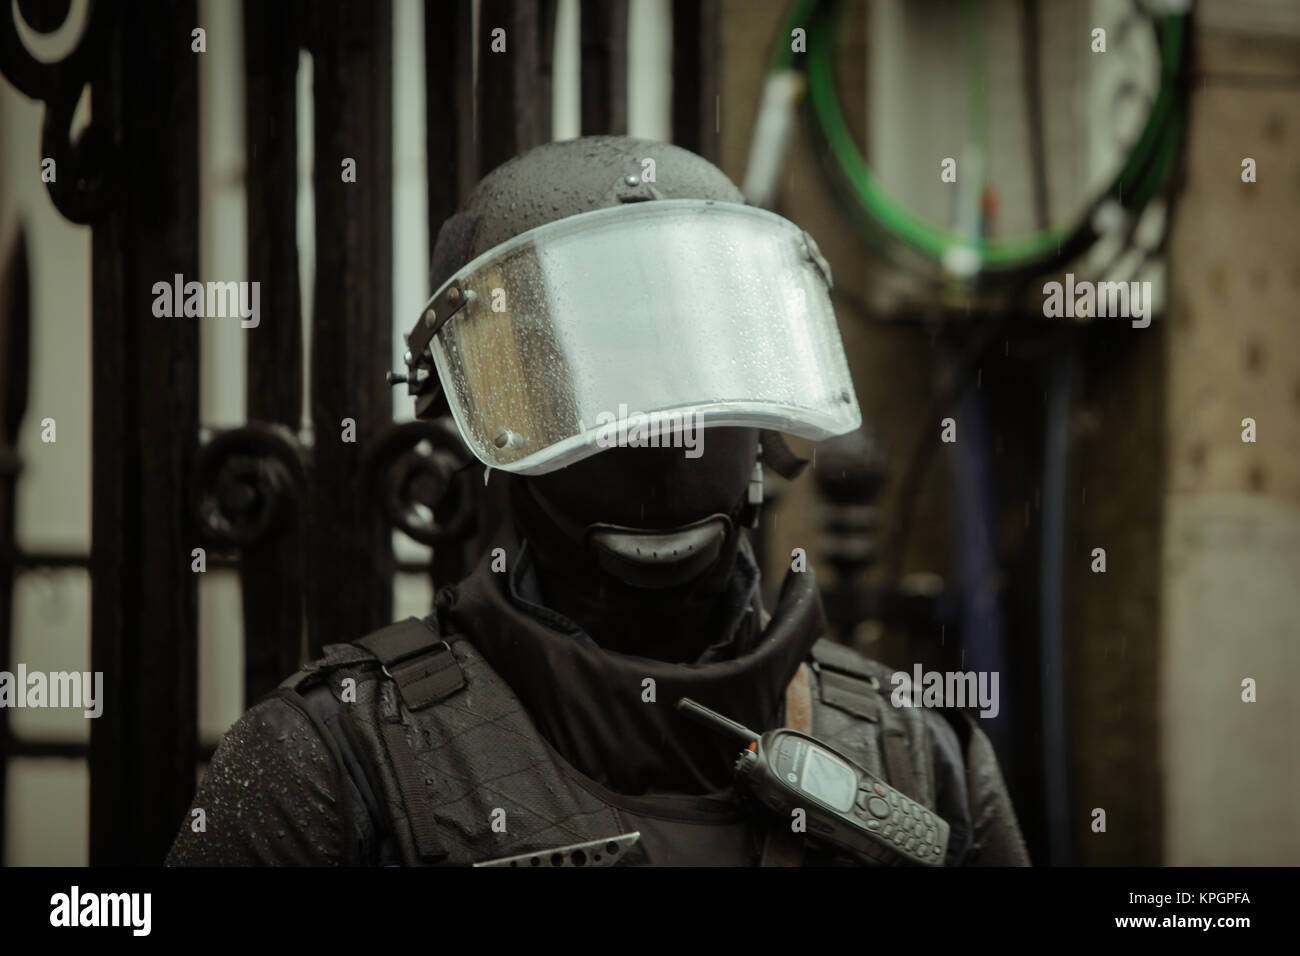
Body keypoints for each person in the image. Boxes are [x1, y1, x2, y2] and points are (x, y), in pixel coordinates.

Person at [166, 135, 1029, 867]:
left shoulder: (911, 754)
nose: (649, 425)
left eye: (691, 358)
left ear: (765, 412)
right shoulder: (335, 759)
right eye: (585, 369)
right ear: (484, 424)